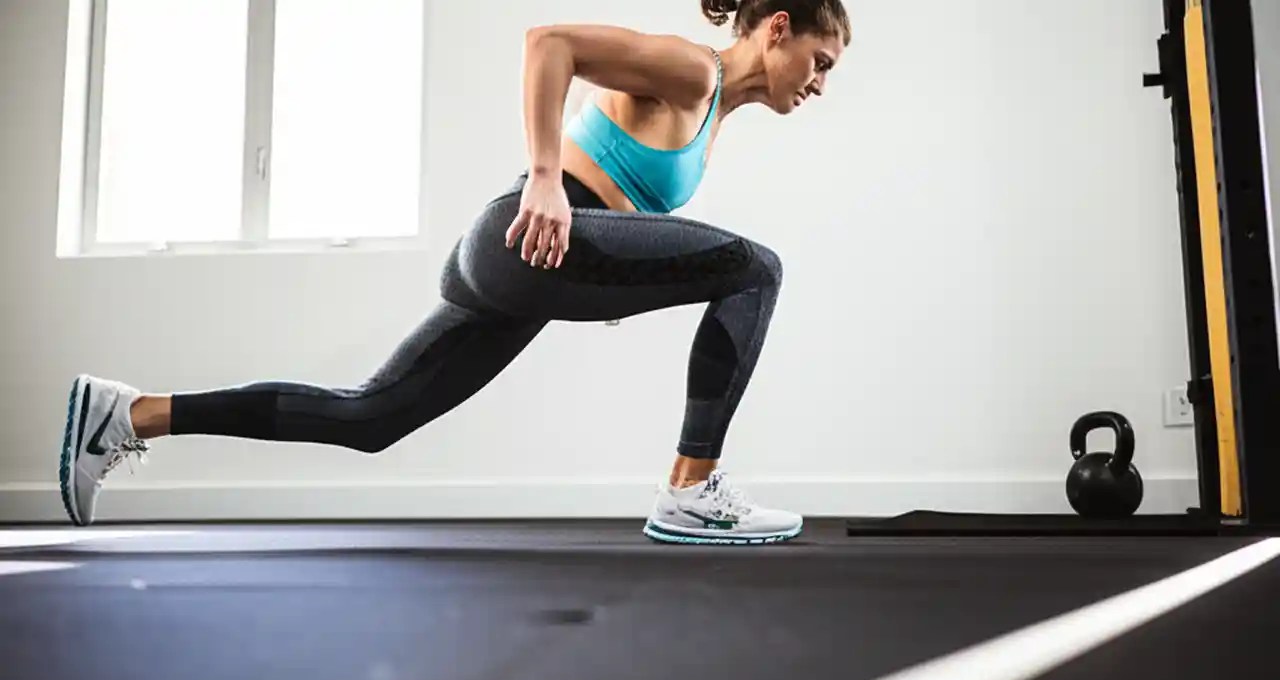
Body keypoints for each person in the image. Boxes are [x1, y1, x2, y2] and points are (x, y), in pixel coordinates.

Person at [60, 0, 851, 544]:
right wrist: (545, 175)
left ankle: (129, 415)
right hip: (522, 234)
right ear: (777, 29)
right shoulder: (695, 70)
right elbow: (550, 43)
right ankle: (691, 490)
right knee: (757, 271)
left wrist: (616, 270)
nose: (820, 83)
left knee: (370, 419)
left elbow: (622, 197)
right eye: (820, 60)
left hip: (517, 263)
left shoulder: (712, 113)